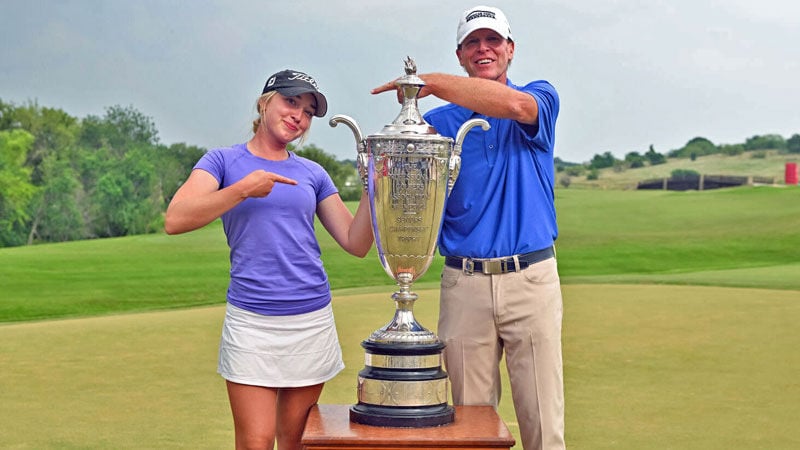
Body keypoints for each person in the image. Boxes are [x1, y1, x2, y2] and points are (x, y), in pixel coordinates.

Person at [372, 6, 564, 449]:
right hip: (464, 283)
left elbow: (514, 105)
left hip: (530, 280)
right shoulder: (437, 126)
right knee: (471, 429)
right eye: (472, 43)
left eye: (493, 40)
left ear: (510, 49)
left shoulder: (538, 97)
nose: (483, 49)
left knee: (543, 423)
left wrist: (430, 82)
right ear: (460, 55)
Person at [165, 69, 373, 450]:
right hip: (251, 321)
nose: (299, 116)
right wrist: (243, 189)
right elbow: (175, 219)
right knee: (254, 442)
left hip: (309, 320)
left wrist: (373, 188)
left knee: (294, 442)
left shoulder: (313, 173)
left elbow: (355, 242)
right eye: (291, 102)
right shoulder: (222, 161)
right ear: (264, 103)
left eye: (308, 112)